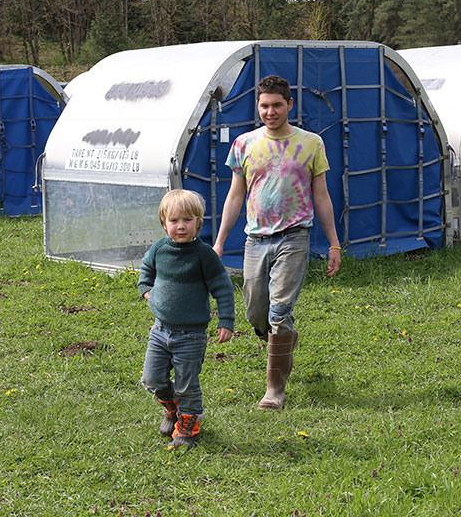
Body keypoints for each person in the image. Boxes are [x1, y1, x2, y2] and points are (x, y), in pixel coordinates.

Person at [213, 74, 341, 410]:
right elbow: (235, 195)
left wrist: (334, 244)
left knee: (279, 310)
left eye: (277, 105)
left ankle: (274, 390)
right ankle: (283, 339)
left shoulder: (311, 143)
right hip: (255, 239)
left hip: (294, 237)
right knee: (256, 313)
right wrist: (220, 241)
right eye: (264, 106)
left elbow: (322, 196)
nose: (270, 112)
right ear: (258, 106)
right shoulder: (244, 144)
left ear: (289, 105)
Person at [138, 189, 235, 449]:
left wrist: (225, 320)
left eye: (187, 220)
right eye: (174, 221)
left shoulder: (204, 256)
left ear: (198, 223)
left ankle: (188, 428)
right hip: (160, 331)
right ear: (164, 223)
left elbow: (223, 288)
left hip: (191, 336)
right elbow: (146, 270)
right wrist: (146, 290)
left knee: (186, 384)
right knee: (152, 379)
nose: (180, 226)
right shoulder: (159, 249)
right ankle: (172, 410)